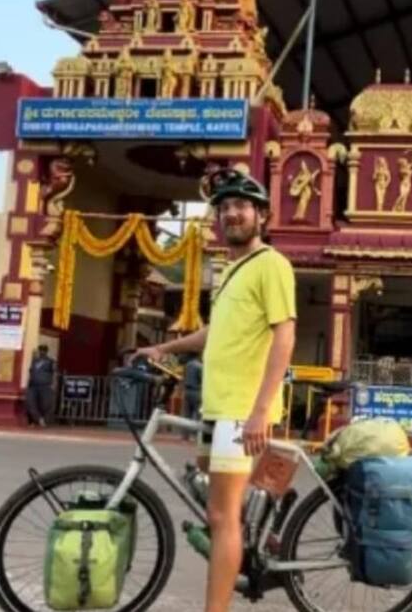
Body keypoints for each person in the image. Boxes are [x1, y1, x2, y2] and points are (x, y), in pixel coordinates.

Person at [133, 167, 296, 612]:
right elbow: (214, 333)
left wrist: (261, 410)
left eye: (241, 207)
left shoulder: (271, 264)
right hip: (218, 406)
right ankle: (259, 538)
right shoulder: (231, 270)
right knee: (216, 499)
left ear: (261, 215)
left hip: (242, 411)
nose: (232, 215)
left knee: (222, 519)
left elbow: (285, 335)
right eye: (224, 209)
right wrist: (163, 347)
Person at [25, 345, 56, 427]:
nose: (41, 352)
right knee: (31, 403)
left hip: (45, 385)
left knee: (44, 404)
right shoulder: (34, 361)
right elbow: (31, 373)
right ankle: (36, 420)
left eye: (43, 350)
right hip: (33, 385)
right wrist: (28, 384)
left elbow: (54, 373)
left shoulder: (50, 361)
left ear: (46, 352)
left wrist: (53, 384)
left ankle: (42, 420)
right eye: (40, 350)